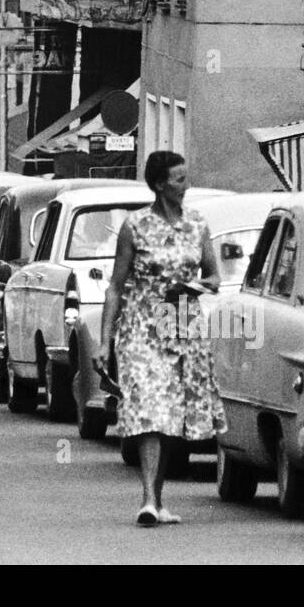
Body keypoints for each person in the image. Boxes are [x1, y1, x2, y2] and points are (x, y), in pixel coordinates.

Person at [94, 150, 225, 528]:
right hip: (141, 325)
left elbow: (214, 276)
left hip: (183, 324)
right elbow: (116, 288)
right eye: (179, 180)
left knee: (173, 416)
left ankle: (158, 496)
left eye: (187, 178)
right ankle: (149, 500)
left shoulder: (198, 224)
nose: (186, 186)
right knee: (150, 407)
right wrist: (104, 342)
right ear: (159, 184)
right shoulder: (134, 226)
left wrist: (194, 285)